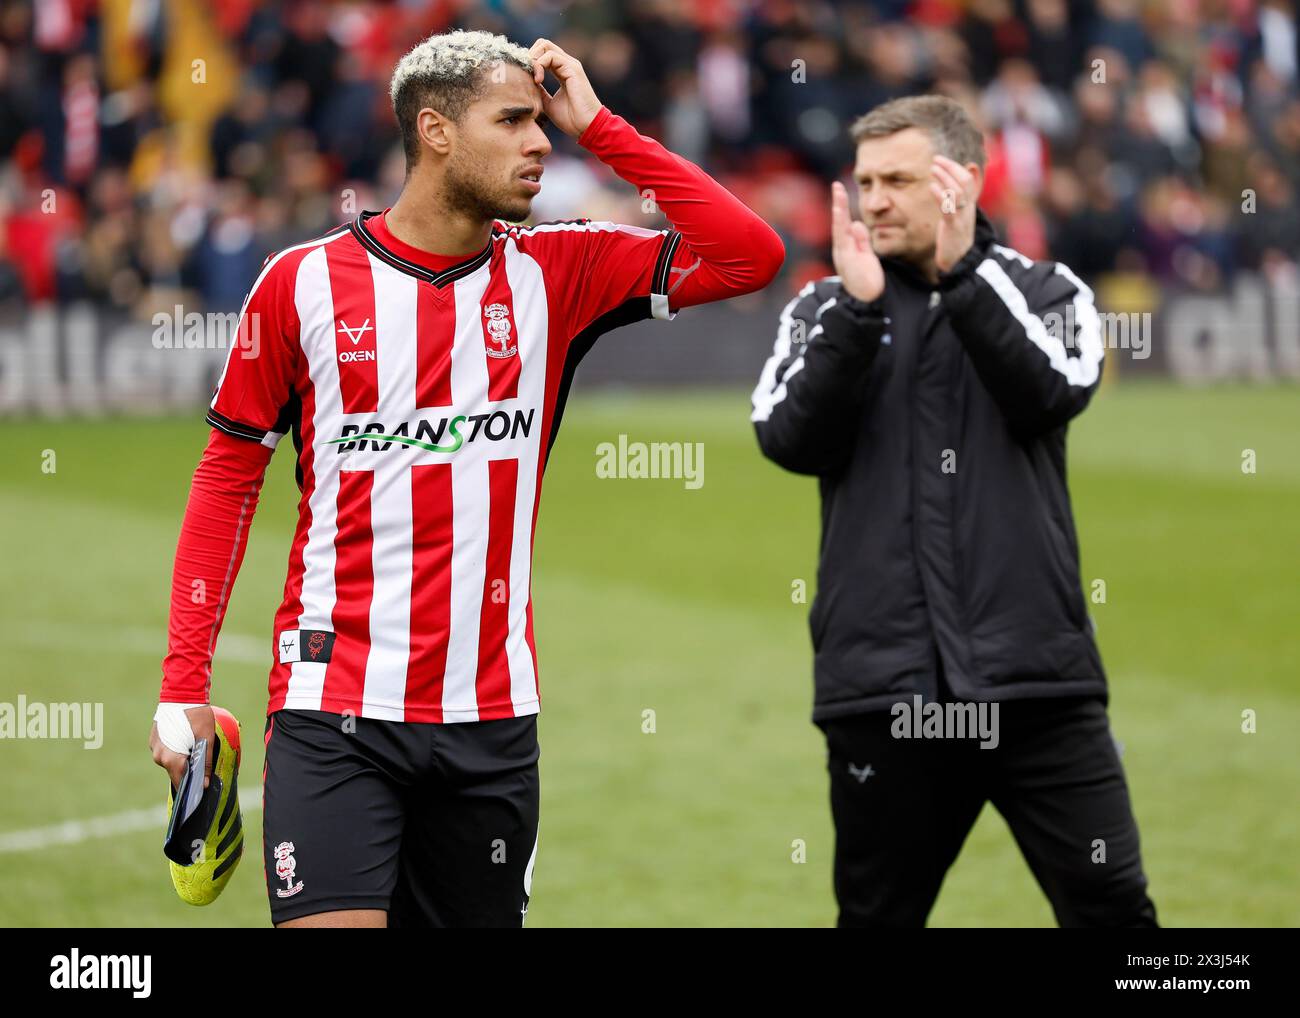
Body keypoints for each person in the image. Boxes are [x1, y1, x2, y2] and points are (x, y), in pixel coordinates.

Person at [149, 29, 784, 928]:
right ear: (437, 131)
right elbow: (226, 481)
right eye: (515, 120)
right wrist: (185, 683)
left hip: (491, 717)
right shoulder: (300, 285)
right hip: (336, 708)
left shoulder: (560, 270)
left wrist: (602, 124)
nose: (542, 142)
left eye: (544, 121)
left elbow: (750, 254)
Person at [750, 95, 1156, 927]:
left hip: (1039, 683)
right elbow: (788, 439)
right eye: (865, 182)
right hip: (885, 691)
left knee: (1112, 906)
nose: (875, 201)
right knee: (876, 916)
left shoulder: (1047, 290)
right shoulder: (826, 309)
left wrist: (965, 275)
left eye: (898, 179)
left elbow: (1052, 391)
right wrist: (859, 320)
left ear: (961, 180)